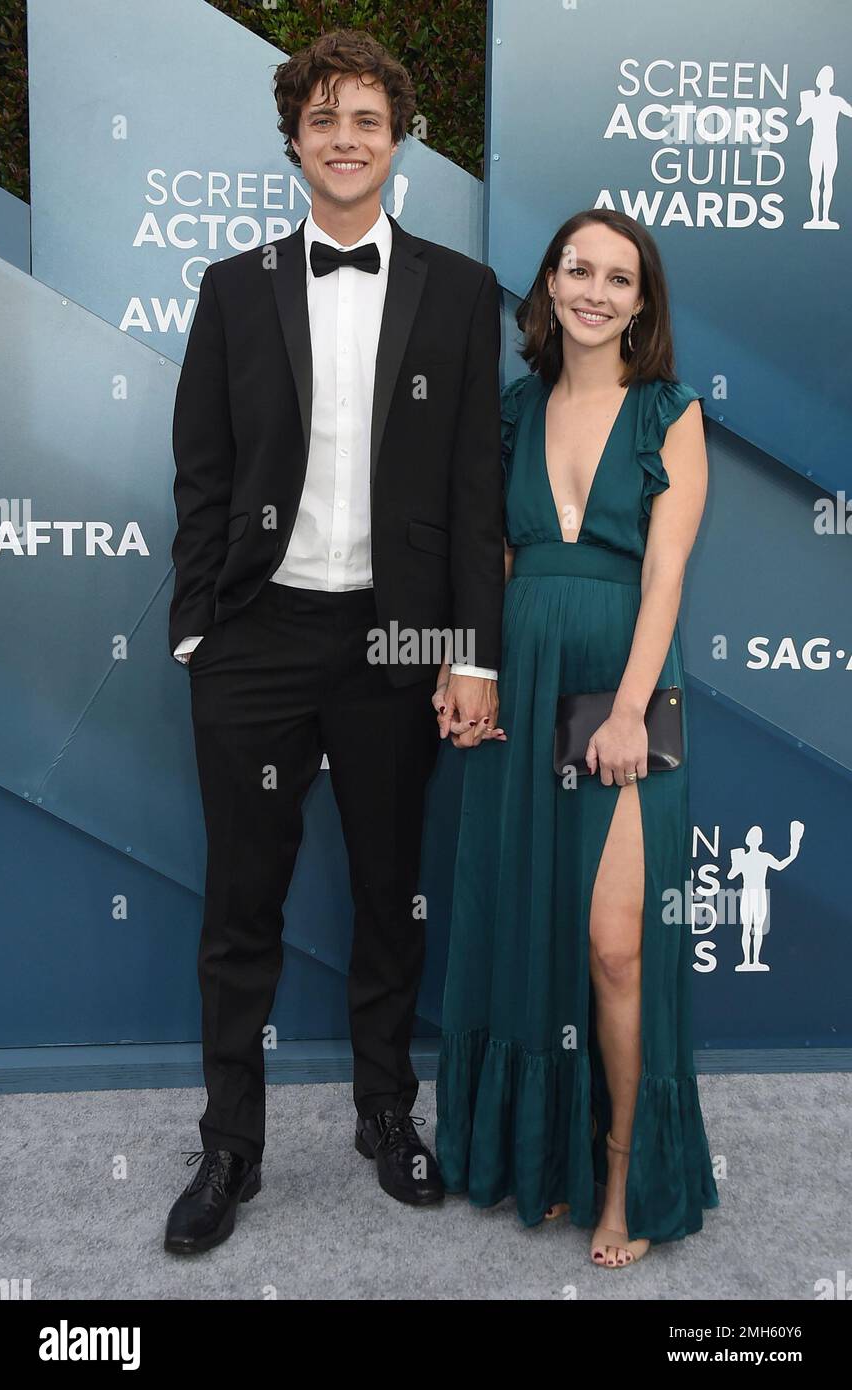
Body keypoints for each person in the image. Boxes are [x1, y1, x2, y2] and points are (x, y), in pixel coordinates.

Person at [164, 29, 504, 1255]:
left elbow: (475, 491)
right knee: (239, 903)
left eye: (366, 116)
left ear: (397, 135)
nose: (346, 137)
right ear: (294, 140)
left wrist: (470, 650)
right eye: (323, 119)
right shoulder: (232, 286)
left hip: (398, 639)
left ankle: (385, 1115)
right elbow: (199, 473)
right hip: (257, 634)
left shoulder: (461, 292)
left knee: (385, 892)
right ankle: (229, 1148)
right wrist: (196, 624)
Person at [434, 209, 720, 1267]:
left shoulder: (668, 413)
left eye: (617, 277)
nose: (594, 290)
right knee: (525, 928)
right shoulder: (513, 409)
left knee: (612, 947)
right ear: (548, 284)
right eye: (576, 269)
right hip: (525, 671)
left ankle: (618, 1168)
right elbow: (492, 561)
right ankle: (542, 1155)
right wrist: (468, 668)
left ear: (640, 302)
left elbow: (665, 571)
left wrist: (630, 708)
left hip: (622, 681)